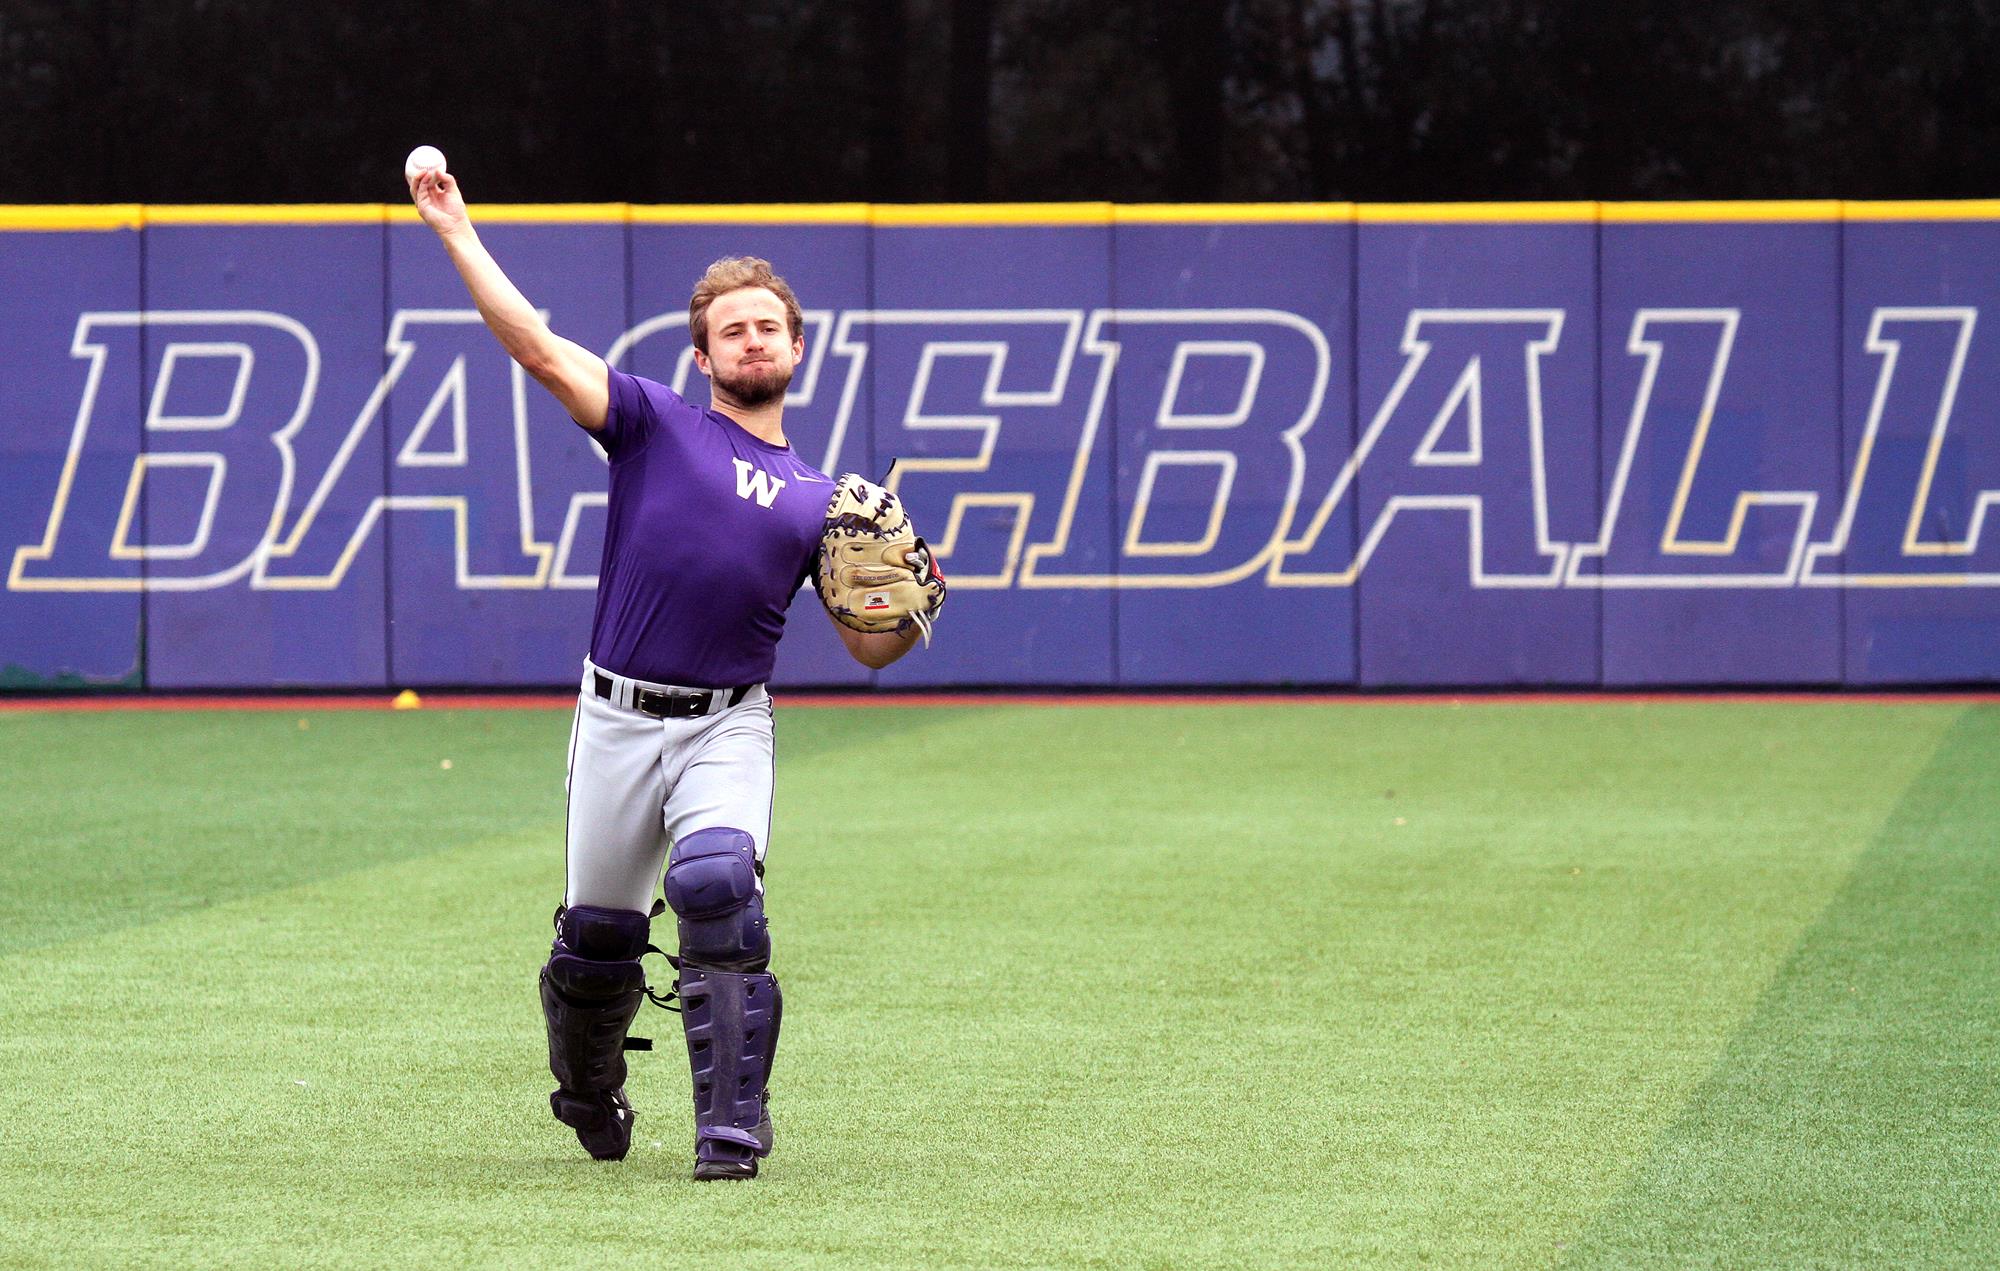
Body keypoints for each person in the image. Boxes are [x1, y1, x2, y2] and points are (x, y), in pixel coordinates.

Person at [408, 162, 928, 1180]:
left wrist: (907, 610)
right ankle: (586, 1082)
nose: (750, 339)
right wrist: (457, 231)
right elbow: (540, 350)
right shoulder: (652, 422)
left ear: (797, 349)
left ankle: (729, 1130)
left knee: (716, 881)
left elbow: (870, 646)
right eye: (730, 328)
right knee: (597, 942)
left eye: (766, 326)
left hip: (725, 722)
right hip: (614, 718)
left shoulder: (821, 501)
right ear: (701, 354)